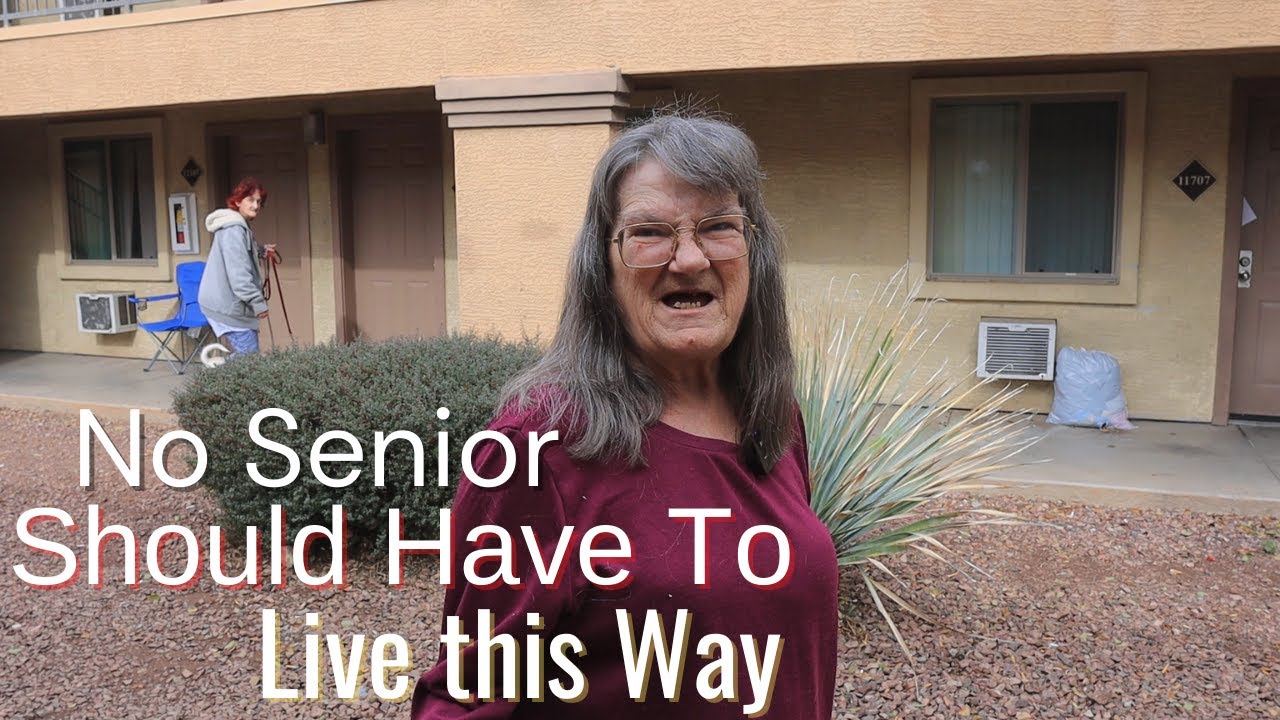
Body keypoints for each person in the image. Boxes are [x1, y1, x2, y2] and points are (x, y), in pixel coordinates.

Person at [410, 113, 838, 718]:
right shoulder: (542, 446)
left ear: (754, 253)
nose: (689, 259)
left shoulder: (773, 417)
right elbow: (465, 695)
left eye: (719, 226)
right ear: (602, 269)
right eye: (649, 233)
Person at [198, 177, 274, 358]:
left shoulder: (238, 226)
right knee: (249, 358)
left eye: (259, 202)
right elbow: (239, 275)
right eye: (250, 200)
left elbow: (242, 251)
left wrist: (261, 251)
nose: (256, 206)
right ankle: (217, 376)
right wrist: (257, 303)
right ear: (238, 201)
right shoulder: (234, 229)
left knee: (248, 357)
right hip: (226, 305)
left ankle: (220, 374)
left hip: (225, 303)